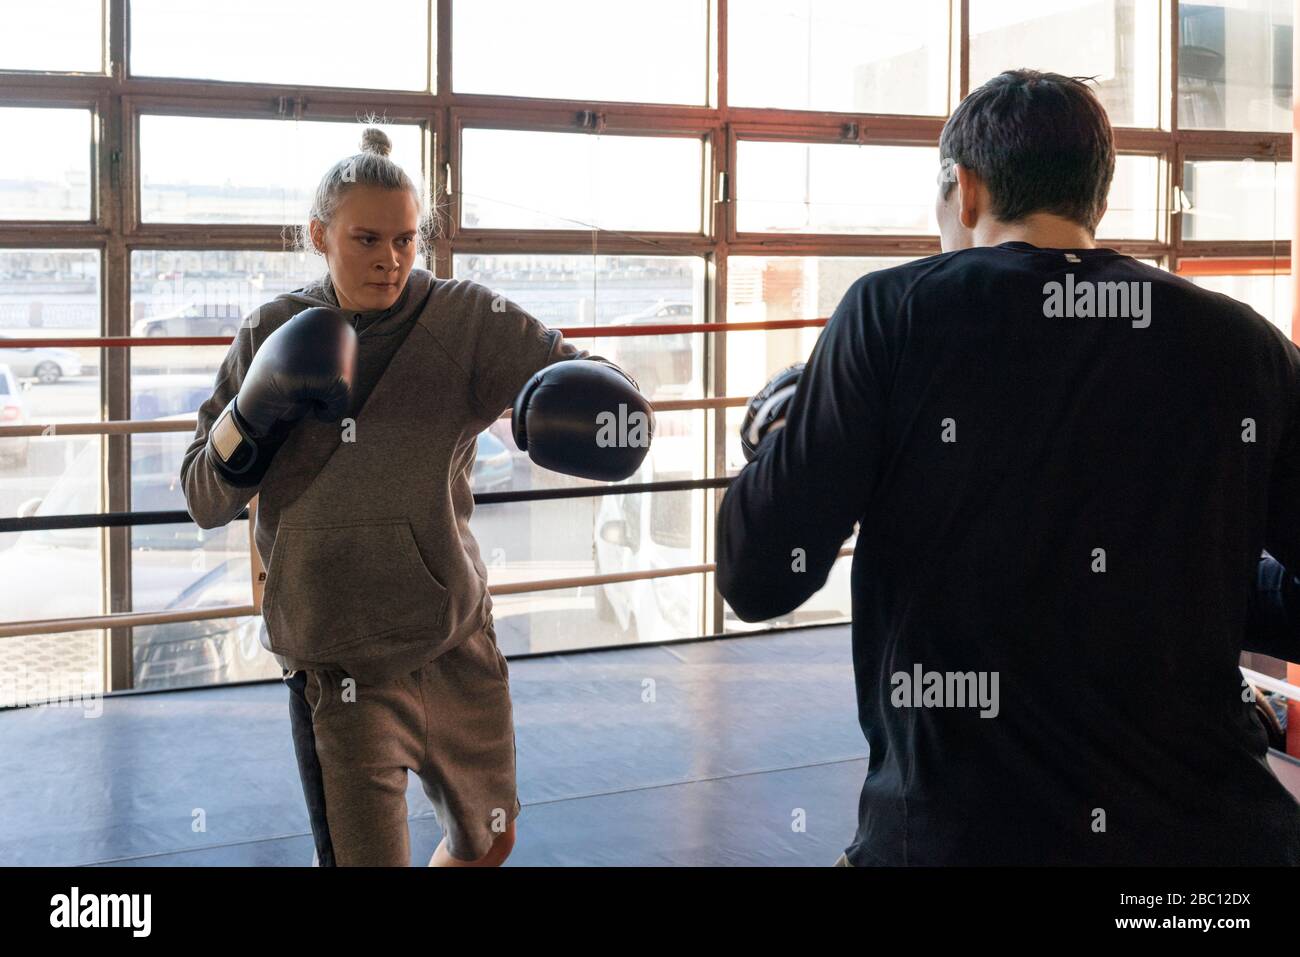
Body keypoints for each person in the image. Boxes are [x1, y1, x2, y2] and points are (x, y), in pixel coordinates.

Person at [717, 69, 1300, 866]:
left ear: (965, 189)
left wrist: (780, 439)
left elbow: (758, 578)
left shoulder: (893, 314)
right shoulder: (1245, 342)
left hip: (956, 839)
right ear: (1096, 197)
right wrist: (1207, 587)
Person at [181, 126, 652, 866]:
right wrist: (251, 413)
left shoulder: (465, 320)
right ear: (319, 234)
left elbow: (587, 371)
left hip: (453, 640)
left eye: (406, 239)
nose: (390, 259)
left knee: (490, 840)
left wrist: (583, 404)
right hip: (339, 667)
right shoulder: (270, 329)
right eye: (367, 238)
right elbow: (203, 494)